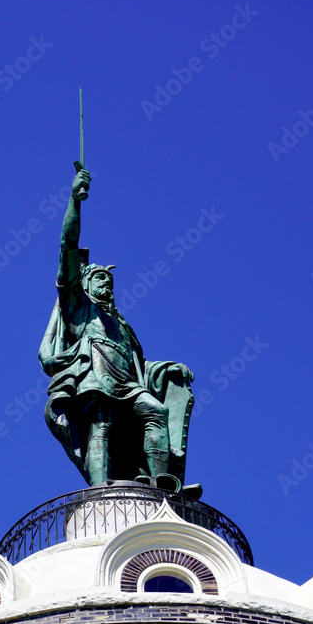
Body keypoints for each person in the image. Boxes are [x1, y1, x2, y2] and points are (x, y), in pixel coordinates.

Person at [38, 168, 195, 489]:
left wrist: (166, 370)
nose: (107, 285)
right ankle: (100, 491)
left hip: (128, 384)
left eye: (110, 281)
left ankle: (157, 480)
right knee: (101, 425)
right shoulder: (78, 306)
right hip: (94, 379)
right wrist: (74, 202)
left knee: (156, 412)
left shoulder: (123, 325)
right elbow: (67, 247)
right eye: (99, 279)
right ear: (84, 283)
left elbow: (141, 365)